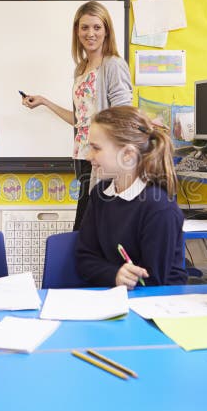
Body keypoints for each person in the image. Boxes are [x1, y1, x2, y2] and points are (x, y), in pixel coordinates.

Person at [22, 1, 132, 230]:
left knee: (91, 227)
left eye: (96, 27)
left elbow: (123, 115)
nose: (90, 33)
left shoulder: (113, 65)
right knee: (85, 226)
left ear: (106, 30)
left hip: (104, 159)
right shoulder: (80, 69)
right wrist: (44, 101)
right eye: (84, 28)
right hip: (83, 156)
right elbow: (79, 120)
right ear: (76, 31)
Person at [75, 106, 187, 288]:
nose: (88, 156)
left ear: (127, 154)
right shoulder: (100, 194)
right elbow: (85, 258)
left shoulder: (159, 208)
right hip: (115, 297)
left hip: (156, 303)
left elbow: (153, 281)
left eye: (96, 148)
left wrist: (121, 277)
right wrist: (115, 275)